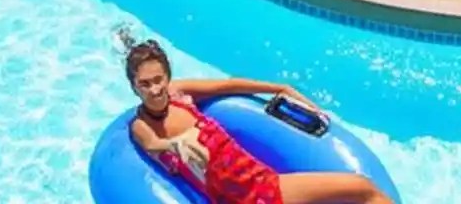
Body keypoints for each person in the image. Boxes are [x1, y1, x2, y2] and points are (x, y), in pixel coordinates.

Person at [121, 34, 395, 204]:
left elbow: (229, 86)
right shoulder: (141, 125)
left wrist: (279, 88)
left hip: (264, 182)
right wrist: (174, 146)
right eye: (145, 84)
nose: (154, 89)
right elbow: (153, 144)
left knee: (363, 188)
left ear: (168, 76)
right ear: (134, 87)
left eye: (158, 79)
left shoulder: (180, 93)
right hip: (236, 198)